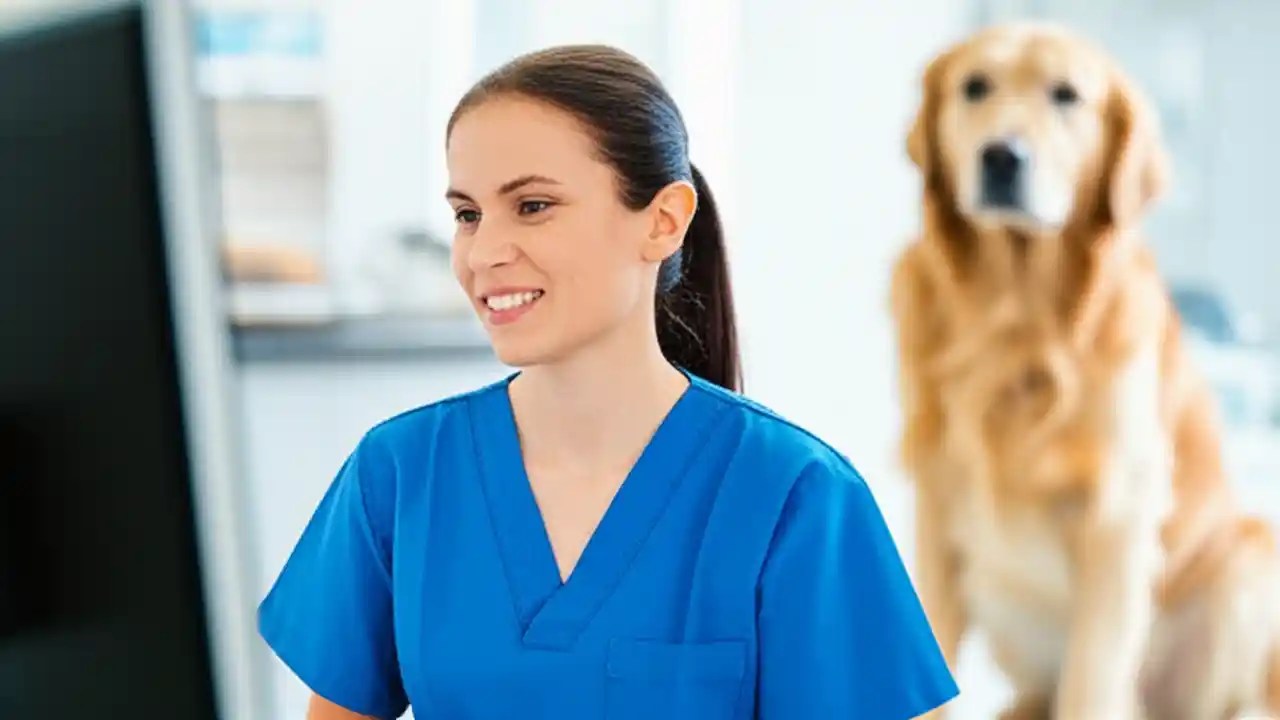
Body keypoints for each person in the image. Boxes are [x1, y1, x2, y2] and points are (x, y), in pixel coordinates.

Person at [258, 44, 959, 720]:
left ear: (662, 221)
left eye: (532, 206)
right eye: (468, 214)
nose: (485, 252)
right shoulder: (402, 474)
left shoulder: (793, 493)